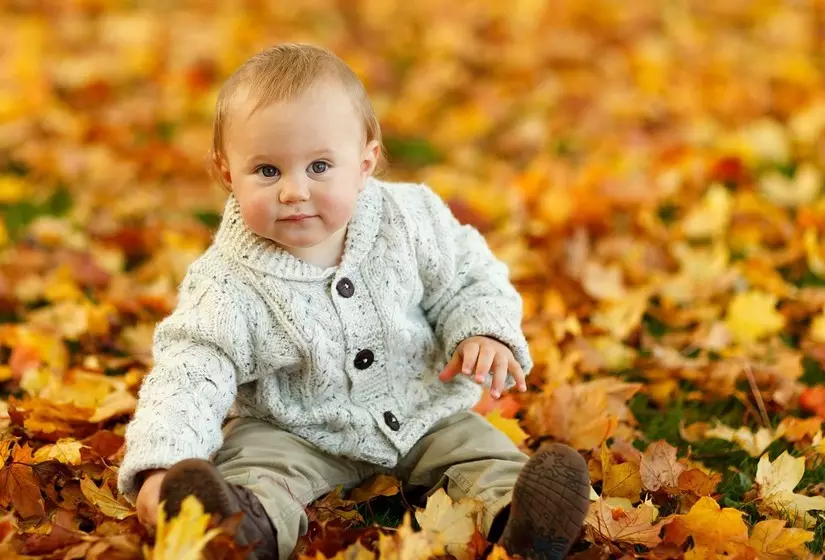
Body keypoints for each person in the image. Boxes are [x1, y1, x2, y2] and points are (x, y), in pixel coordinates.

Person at [116, 43, 590, 560]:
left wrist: (483, 330)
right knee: (258, 470)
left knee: (481, 456)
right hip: (295, 428)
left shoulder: (410, 218)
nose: (294, 191)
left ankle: (520, 520)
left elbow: (468, 276)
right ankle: (237, 529)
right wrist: (162, 462)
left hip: (423, 408)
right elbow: (191, 371)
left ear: (365, 163)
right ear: (227, 173)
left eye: (319, 166)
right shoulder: (226, 282)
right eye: (267, 171)